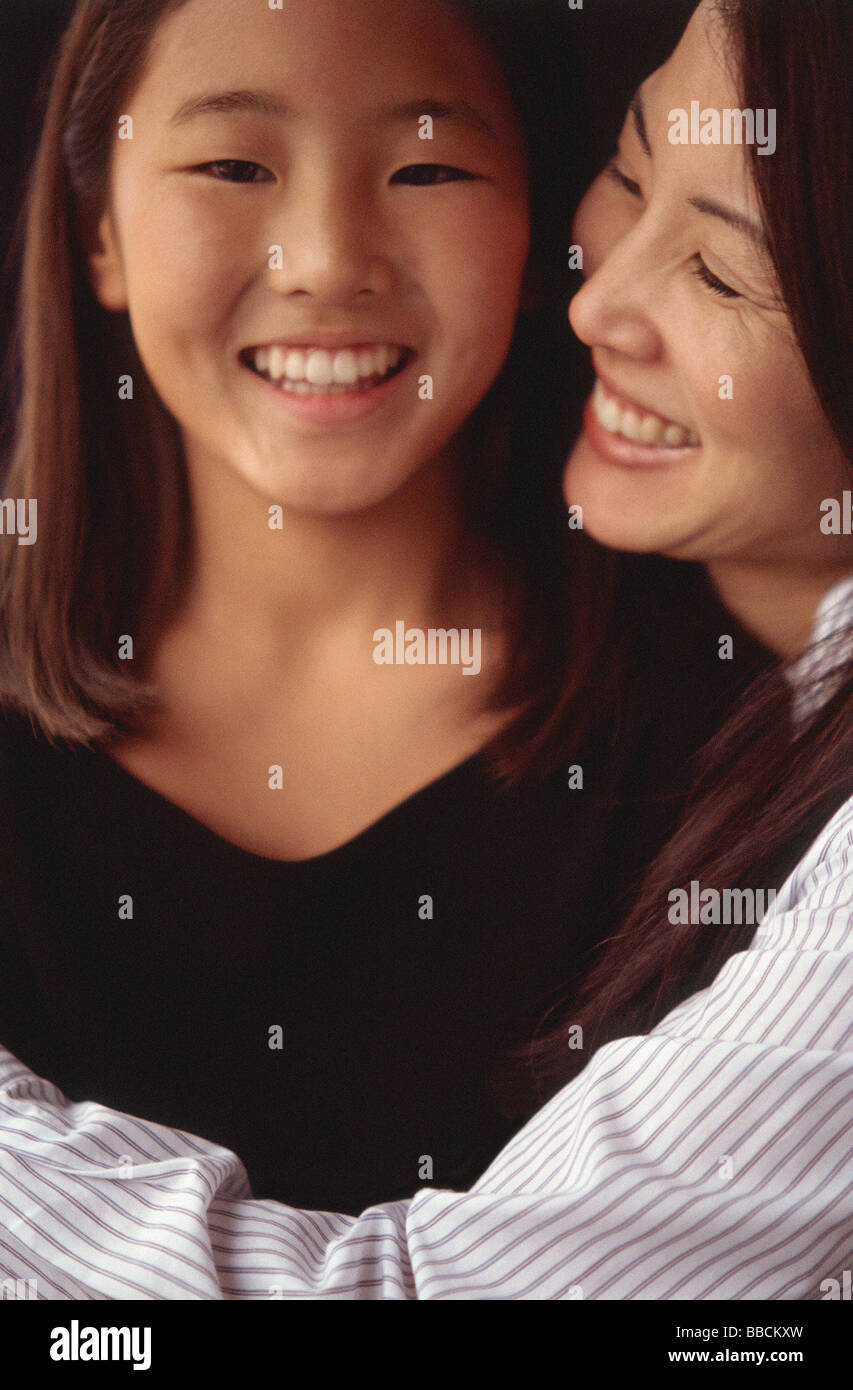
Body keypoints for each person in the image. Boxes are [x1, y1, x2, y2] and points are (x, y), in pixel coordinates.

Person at [2, 0, 851, 1299]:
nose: (327, 259)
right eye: (233, 164)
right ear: (95, 224)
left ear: (521, 220)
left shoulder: (748, 759)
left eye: (426, 167)